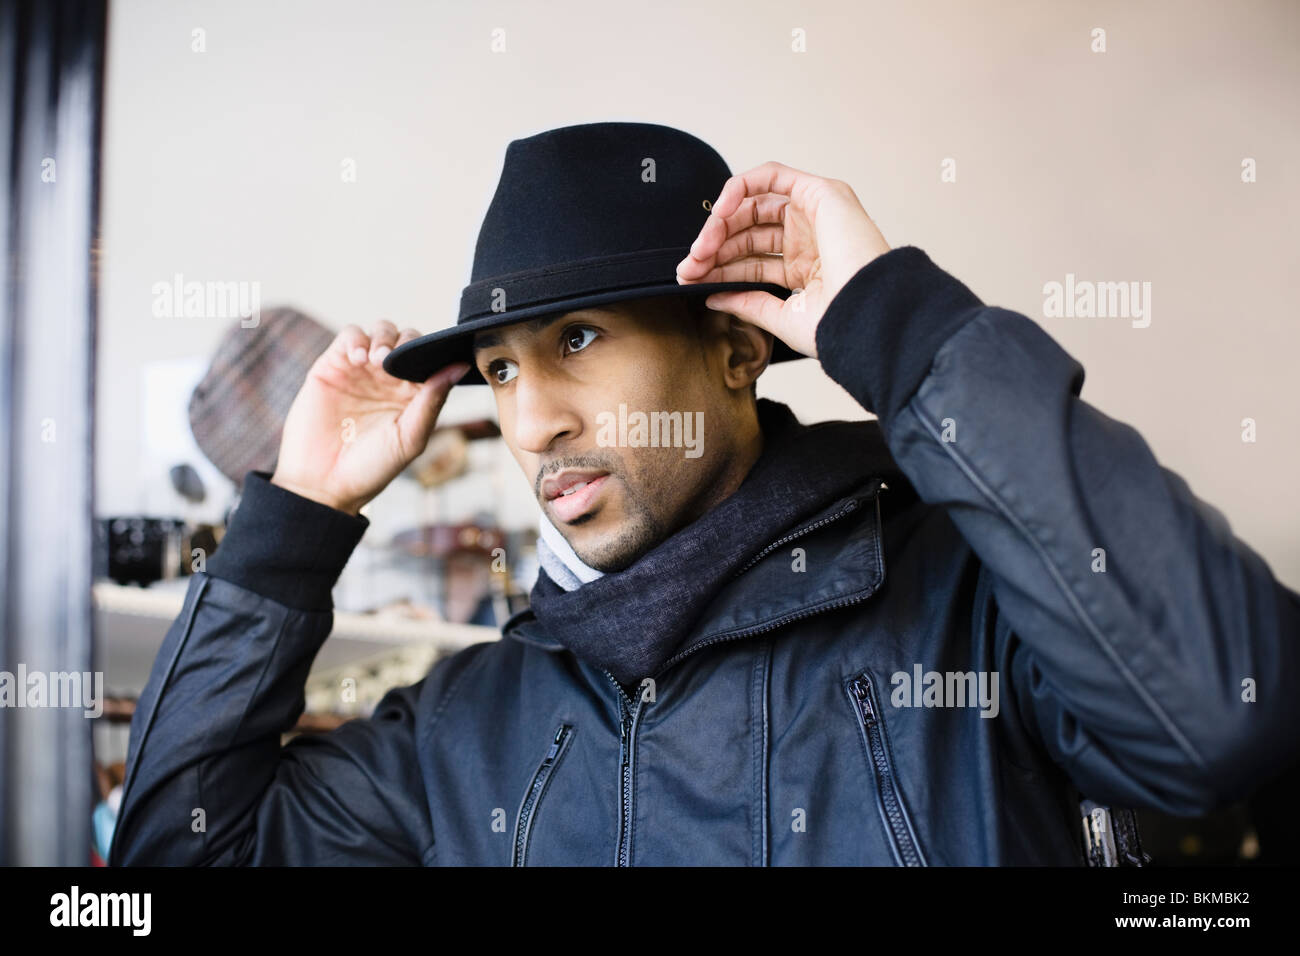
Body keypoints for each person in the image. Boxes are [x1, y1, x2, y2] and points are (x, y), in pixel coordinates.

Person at [109, 123, 1300, 866]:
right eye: (500, 371)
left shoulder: (970, 609)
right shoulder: (464, 728)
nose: (533, 423)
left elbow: (1227, 710)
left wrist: (896, 322)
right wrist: (291, 522)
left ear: (734, 349)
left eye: (577, 337)